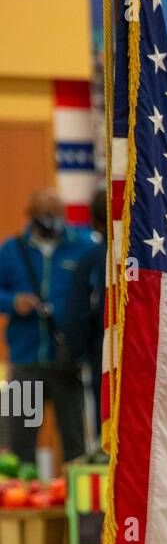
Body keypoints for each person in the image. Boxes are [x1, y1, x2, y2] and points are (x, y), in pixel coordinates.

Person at [0, 187, 93, 467]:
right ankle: (19, 500)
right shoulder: (11, 249)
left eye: (54, 214)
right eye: (43, 215)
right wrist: (12, 301)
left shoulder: (83, 247)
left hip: (66, 363)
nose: (50, 220)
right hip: (25, 361)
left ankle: (77, 505)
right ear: (30, 216)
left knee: (75, 443)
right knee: (18, 440)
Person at [64, 188, 107, 439]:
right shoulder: (151, 256)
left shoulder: (90, 259)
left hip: (102, 354)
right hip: (151, 355)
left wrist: (75, 353)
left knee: (108, 429)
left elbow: (77, 313)